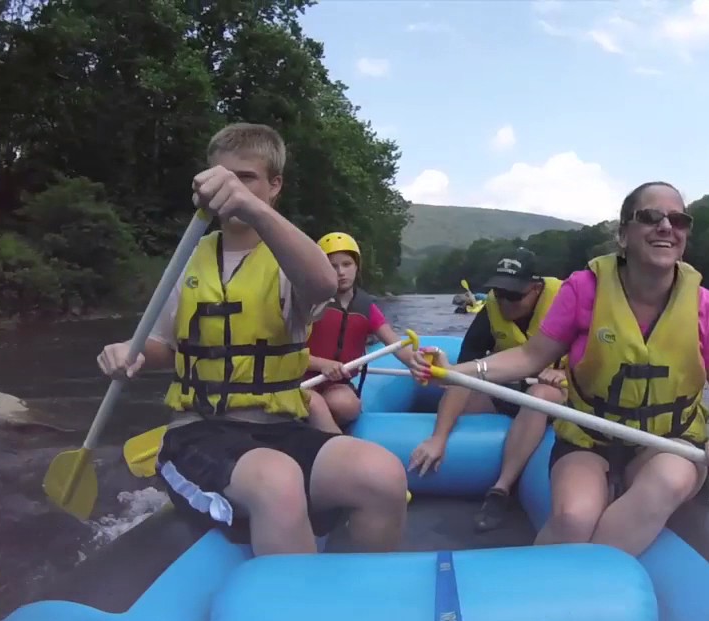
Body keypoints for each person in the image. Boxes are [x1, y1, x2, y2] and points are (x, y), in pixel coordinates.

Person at [95, 123, 408, 557]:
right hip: (199, 431)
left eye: (245, 178)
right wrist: (127, 354)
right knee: (278, 481)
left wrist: (253, 210)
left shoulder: (294, 261)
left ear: (274, 185)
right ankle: (295, 619)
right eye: (221, 177)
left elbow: (321, 283)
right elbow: (166, 348)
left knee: (383, 473)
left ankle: (363, 603)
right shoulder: (189, 259)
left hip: (280, 427)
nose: (230, 188)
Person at [410, 181, 709, 557]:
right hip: (592, 437)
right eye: (650, 217)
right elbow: (529, 357)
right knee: (573, 517)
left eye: (678, 219)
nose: (666, 227)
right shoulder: (584, 290)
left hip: (670, 442)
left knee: (668, 479)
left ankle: (582, 580)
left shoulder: (708, 306)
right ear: (623, 234)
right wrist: (458, 371)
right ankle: (549, 583)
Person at [408, 249, 567, 533]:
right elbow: (465, 370)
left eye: (515, 295)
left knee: (539, 396)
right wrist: (439, 436)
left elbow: (597, 360)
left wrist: (565, 372)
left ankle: (501, 489)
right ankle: (439, 445)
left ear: (537, 287)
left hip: (559, 394)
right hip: (510, 388)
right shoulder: (491, 310)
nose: (505, 302)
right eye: (500, 292)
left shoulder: (567, 304)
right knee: (467, 381)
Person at [303, 231, 414, 433]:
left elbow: (394, 343)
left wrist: (417, 363)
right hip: (301, 380)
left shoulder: (366, 307)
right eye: (332, 266)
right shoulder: (307, 303)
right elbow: (284, 352)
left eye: (347, 264)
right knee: (312, 403)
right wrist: (323, 364)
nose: (341, 272)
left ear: (357, 267)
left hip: (337, 384)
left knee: (347, 405)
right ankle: (334, 445)